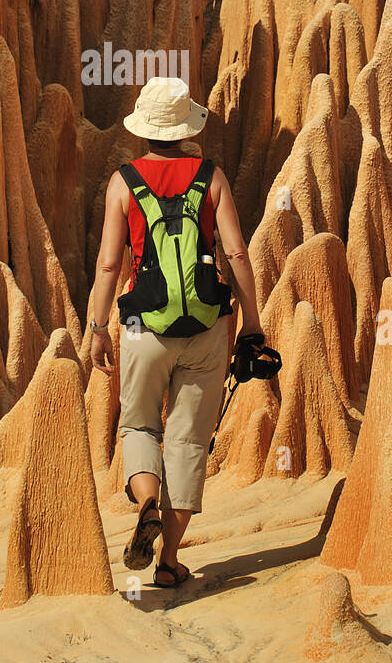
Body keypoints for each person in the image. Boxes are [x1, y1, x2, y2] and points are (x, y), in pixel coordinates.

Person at [88, 75, 264, 587]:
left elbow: (107, 263)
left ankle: (145, 501)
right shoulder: (211, 177)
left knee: (140, 426)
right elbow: (234, 252)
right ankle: (168, 564)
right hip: (207, 328)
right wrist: (251, 321)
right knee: (188, 441)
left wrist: (98, 327)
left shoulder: (124, 182)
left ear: (144, 129)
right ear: (186, 127)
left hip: (143, 327)